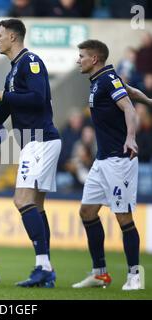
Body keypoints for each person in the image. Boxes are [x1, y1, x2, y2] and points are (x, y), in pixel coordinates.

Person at [0, 19, 61, 288]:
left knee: (21, 200)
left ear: (13, 37)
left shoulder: (30, 61)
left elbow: (37, 98)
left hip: (39, 139)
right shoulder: (14, 71)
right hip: (33, 142)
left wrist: (1, 95)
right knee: (36, 205)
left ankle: (43, 266)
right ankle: (44, 268)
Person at [72, 39, 144, 290]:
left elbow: (129, 108)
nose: (77, 59)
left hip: (119, 160)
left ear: (94, 59)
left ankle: (135, 275)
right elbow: (132, 93)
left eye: (81, 56)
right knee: (87, 212)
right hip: (102, 160)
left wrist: (131, 138)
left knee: (123, 217)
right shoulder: (101, 80)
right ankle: (100, 273)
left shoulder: (107, 79)